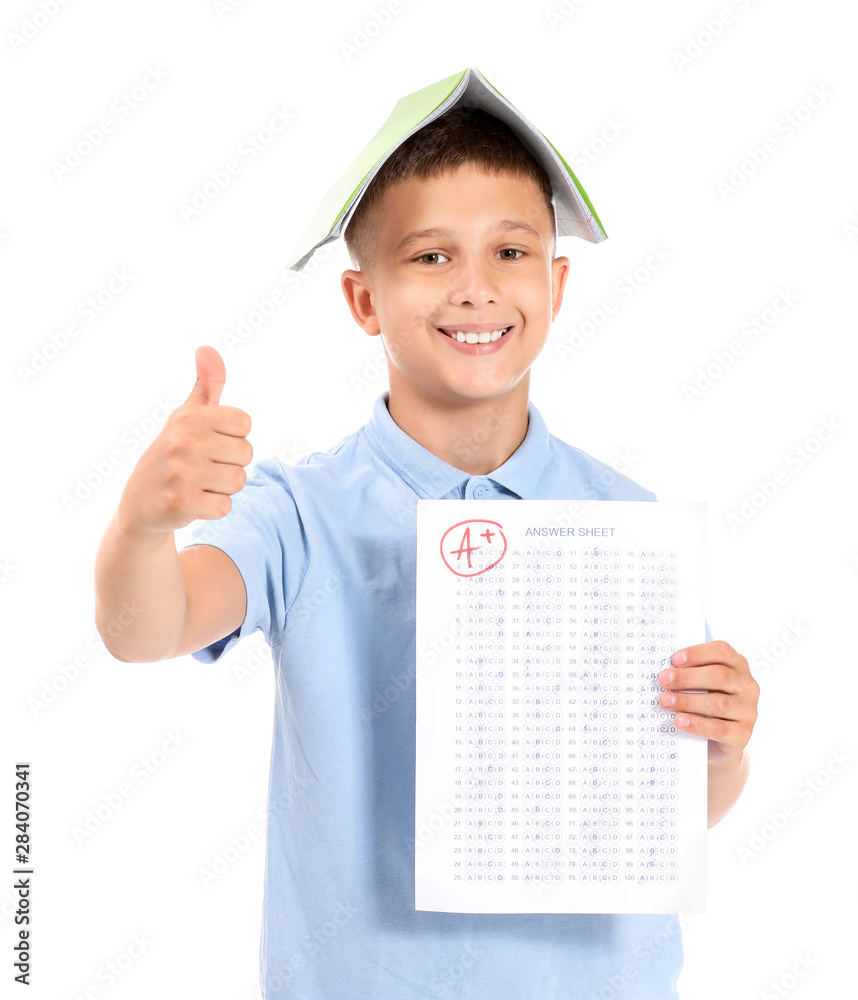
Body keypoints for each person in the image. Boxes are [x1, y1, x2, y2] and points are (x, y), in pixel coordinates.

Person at [94, 98, 759, 998]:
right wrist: (142, 526)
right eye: (431, 255)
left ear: (557, 287)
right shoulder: (299, 513)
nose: (476, 287)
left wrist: (720, 753)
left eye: (511, 252)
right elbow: (147, 626)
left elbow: (672, 814)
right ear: (364, 299)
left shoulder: (626, 525)